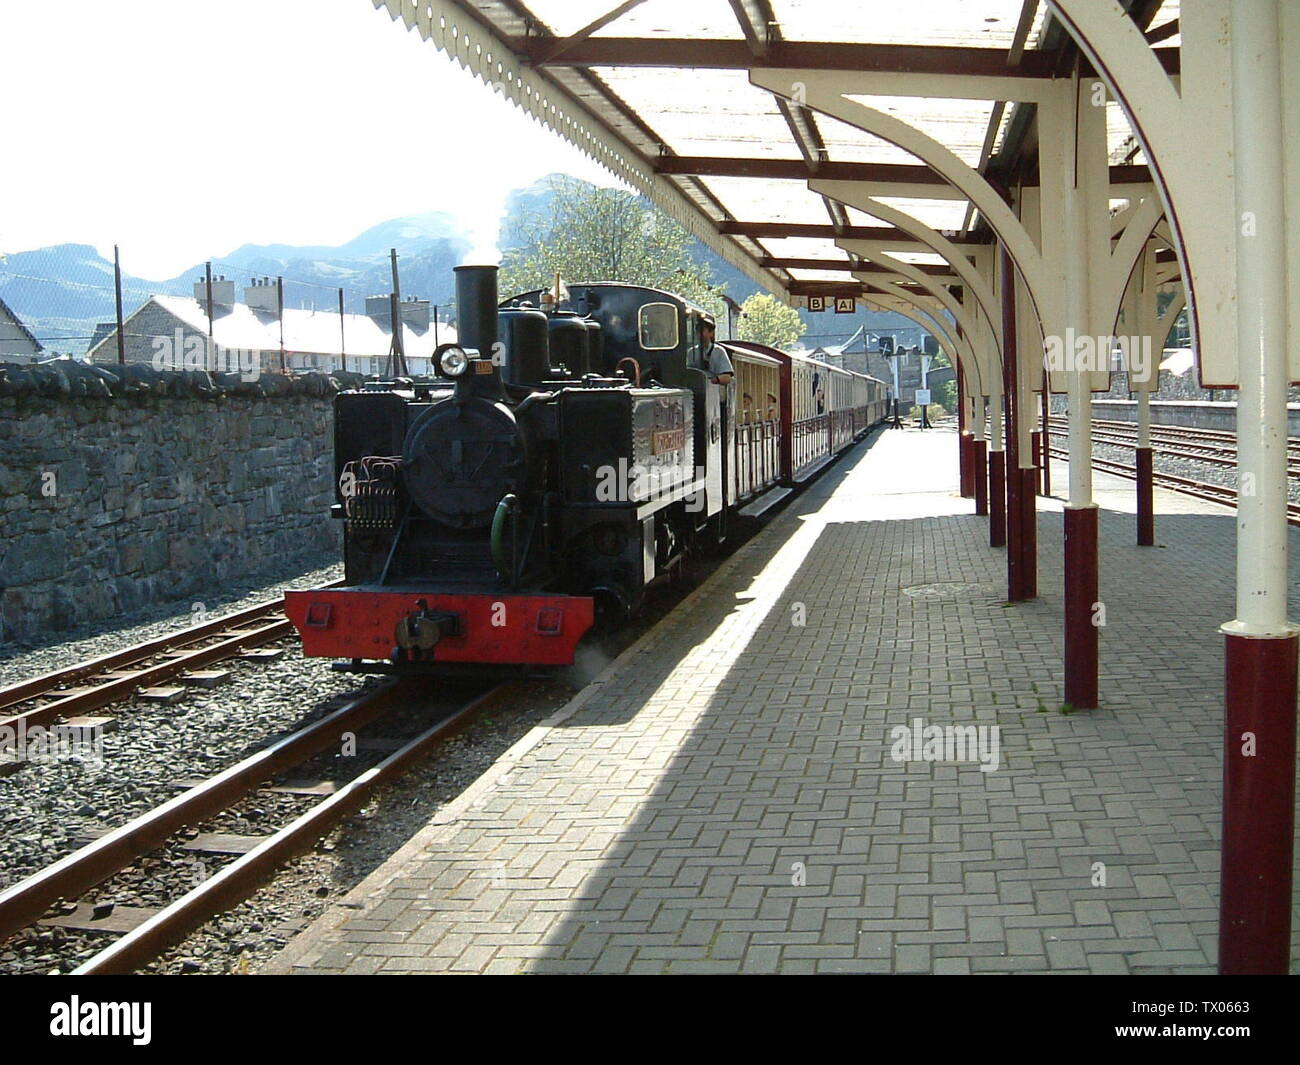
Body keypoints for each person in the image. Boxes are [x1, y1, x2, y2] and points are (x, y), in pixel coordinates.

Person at [694, 320, 734, 386]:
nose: (699, 334)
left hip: (714, 393)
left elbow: (727, 377)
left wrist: (713, 380)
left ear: (711, 333)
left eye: (702, 330)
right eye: (697, 331)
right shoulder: (691, 352)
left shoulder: (718, 351)